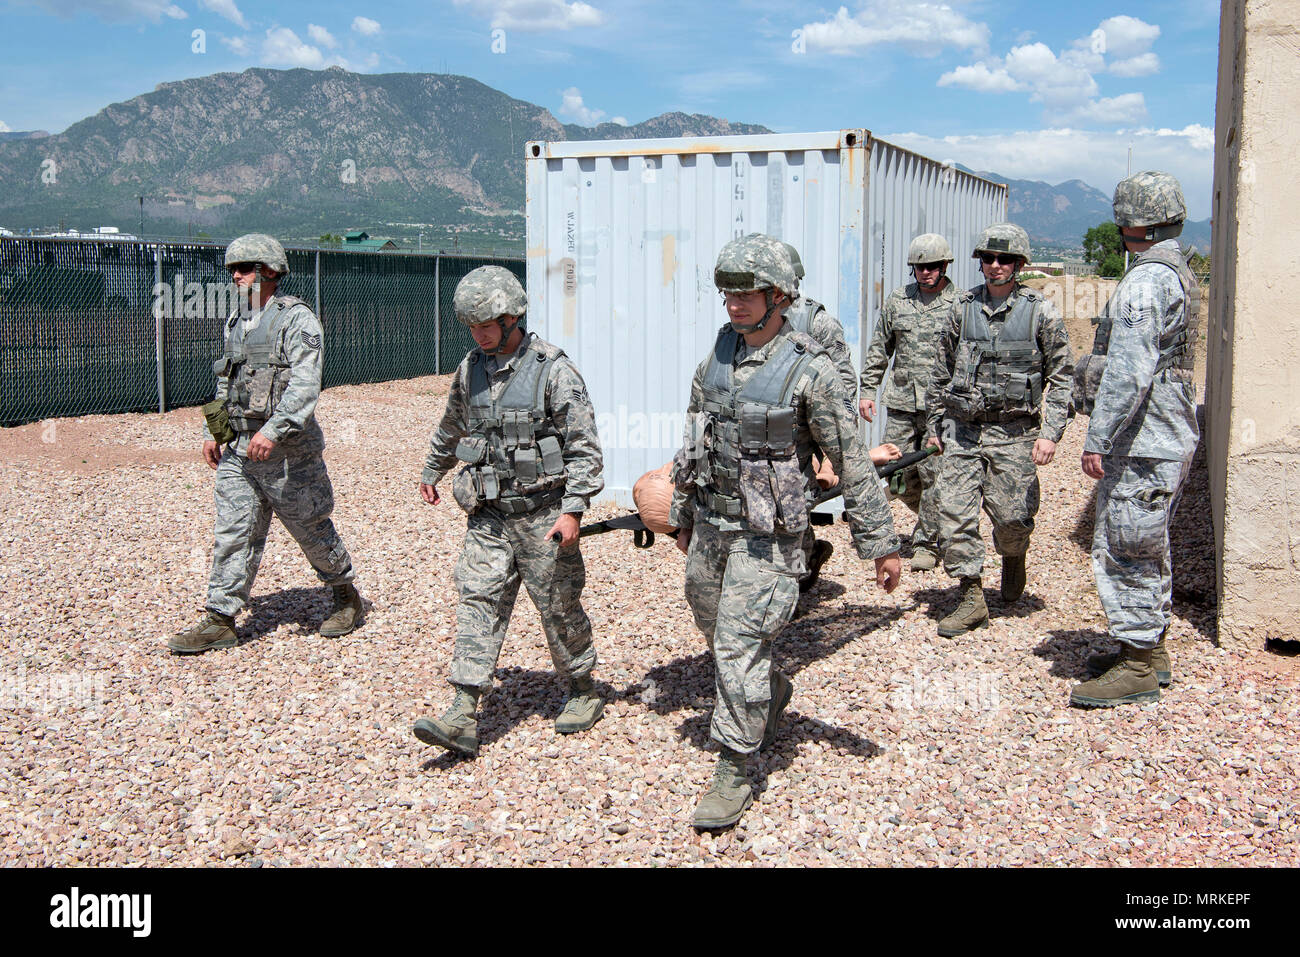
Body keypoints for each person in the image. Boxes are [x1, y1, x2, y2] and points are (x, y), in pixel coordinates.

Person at [670, 233, 901, 830]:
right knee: (709, 618)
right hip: (715, 526)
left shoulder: (810, 371)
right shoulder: (717, 356)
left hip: (770, 537)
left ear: (779, 297)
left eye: (748, 295)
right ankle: (767, 693)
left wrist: (880, 545)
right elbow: (696, 434)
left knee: (738, 642)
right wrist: (682, 510)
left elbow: (852, 461)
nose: (735, 305)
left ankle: (736, 765)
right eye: (728, 295)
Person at [412, 265, 605, 758]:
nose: (479, 334)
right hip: (490, 514)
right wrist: (433, 469)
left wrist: (574, 511)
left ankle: (582, 686)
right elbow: (453, 423)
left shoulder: (552, 370)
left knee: (558, 606)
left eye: (487, 324)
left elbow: (585, 448)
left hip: (544, 516)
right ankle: (463, 708)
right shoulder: (469, 369)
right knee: (478, 598)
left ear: (513, 317)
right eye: (472, 325)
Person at [170, 234, 362, 654]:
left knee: (310, 527)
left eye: (244, 268)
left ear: (270, 272)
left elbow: (305, 386)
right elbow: (226, 382)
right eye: (232, 270)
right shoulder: (236, 322)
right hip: (240, 449)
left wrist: (273, 431)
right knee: (233, 533)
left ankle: (346, 595)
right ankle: (220, 618)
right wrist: (214, 432)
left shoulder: (298, 321)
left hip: (288, 453)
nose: (235, 276)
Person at [1070, 171, 1200, 707]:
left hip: (1144, 442)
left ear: (1133, 222)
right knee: (1149, 544)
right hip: (1163, 435)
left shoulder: (1146, 281)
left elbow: (1128, 370)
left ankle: (1139, 664)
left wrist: (1097, 437)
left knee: (1126, 548)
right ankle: (1150, 648)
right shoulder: (1177, 270)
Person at [924, 223, 1074, 637]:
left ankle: (1013, 553)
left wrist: (1051, 433)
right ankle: (971, 595)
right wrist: (934, 425)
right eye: (987, 259)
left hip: (1016, 432)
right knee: (952, 513)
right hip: (963, 430)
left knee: (1012, 517)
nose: (994, 266)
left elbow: (1063, 376)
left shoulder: (1041, 312)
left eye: (1003, 259)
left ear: (1019, 264)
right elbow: (939, 372)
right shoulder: (961, 308)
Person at [859, 233, 961, 571]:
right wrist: (867, 390)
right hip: (901, 401)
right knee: (898, 474)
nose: (926, 272)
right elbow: (880, 348)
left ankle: (926, 544)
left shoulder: (960, 304)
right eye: (919, 267)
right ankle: (939, 520)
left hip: (941, 407)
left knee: (935, 473)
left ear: (945, 266)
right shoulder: (898, 301)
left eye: (932, 266)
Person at [778, 240, 858, 591]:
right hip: (773, 431)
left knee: (794, 507)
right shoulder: (749, 319)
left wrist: (831, 456)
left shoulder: (819, 322)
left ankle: (796, 575)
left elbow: (843, 384)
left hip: (812, 428)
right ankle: (806, 559)